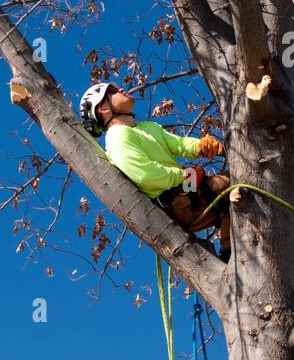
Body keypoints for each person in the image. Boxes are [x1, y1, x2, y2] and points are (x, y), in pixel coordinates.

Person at [80, 81, 231, 261]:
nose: (120, 89)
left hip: (188, 190)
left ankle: (230, 252)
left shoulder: (148, 128)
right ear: (103, 108)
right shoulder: (117, 137)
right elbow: (147, 175)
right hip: (177, 200)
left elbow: (179, 144)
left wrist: (200, 146)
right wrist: (186, 176)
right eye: (112, 91)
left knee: (234, 199)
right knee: (233, 183)